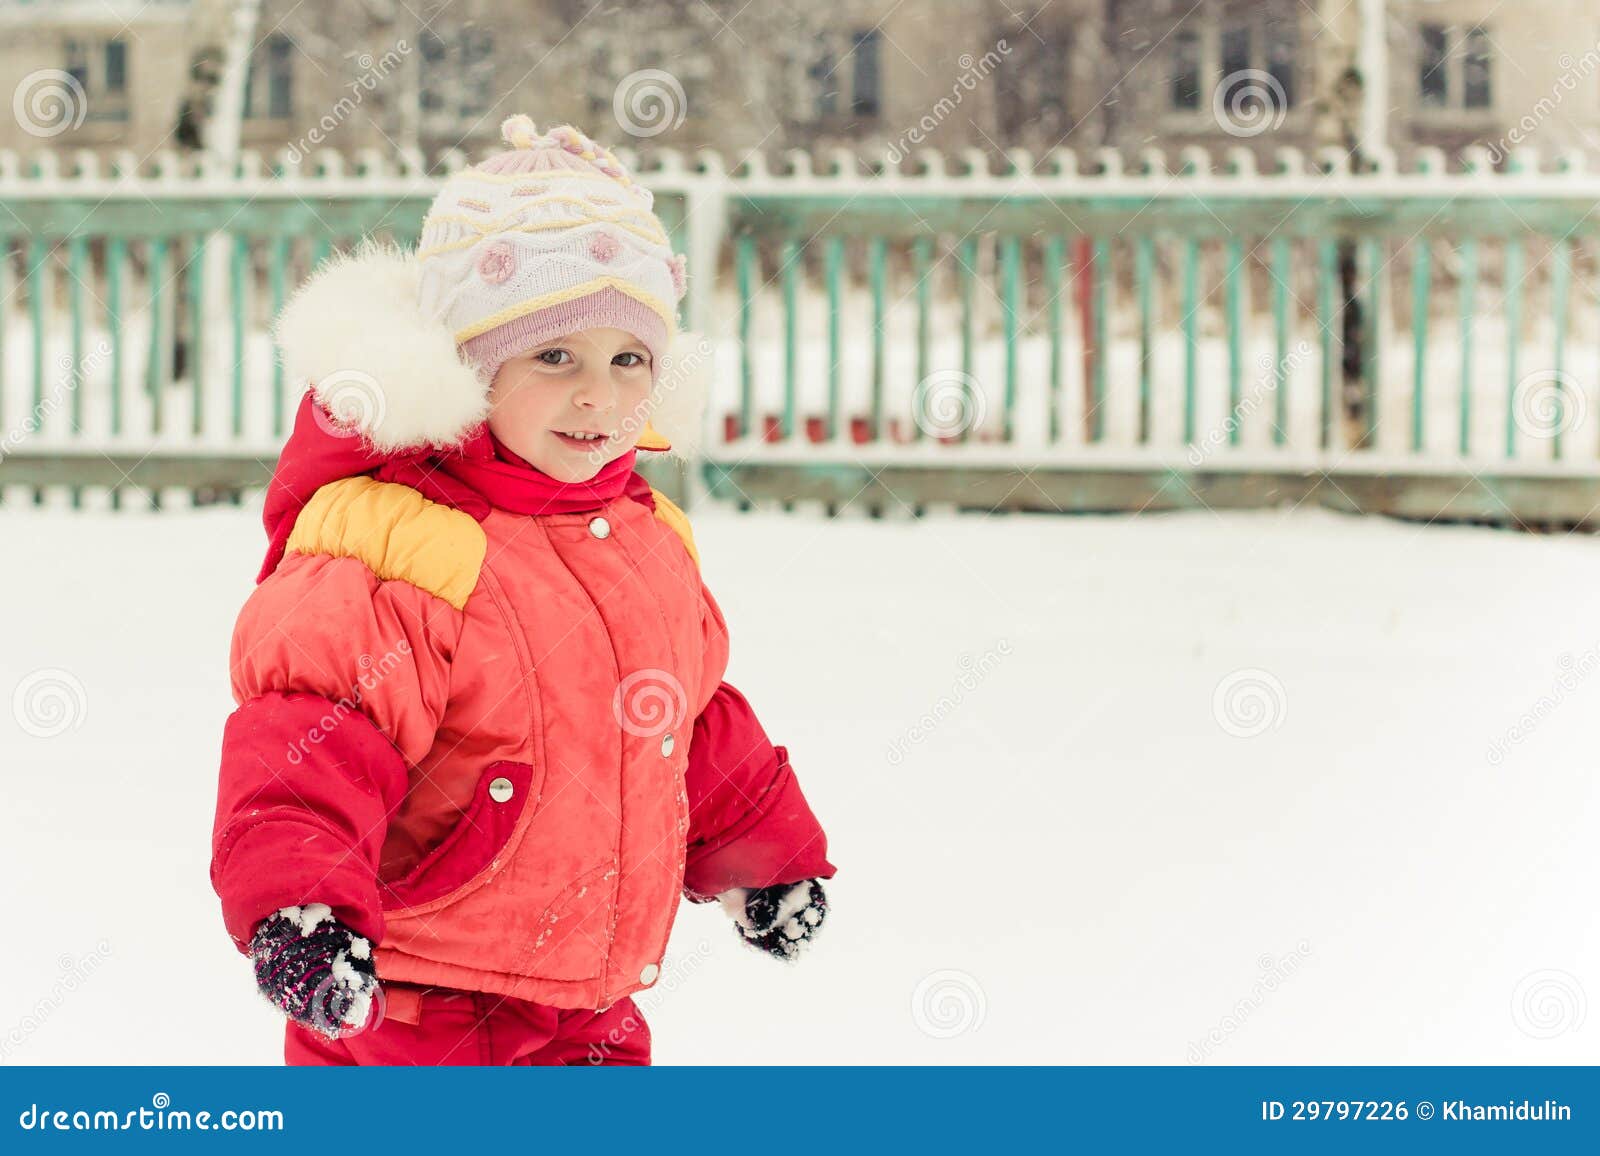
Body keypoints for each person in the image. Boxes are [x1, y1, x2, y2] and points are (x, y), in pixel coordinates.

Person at [210, 117, 836, 1065]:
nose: (599, 395)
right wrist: (305, 909)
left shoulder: (644, 536)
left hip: (592, 1007)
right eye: (555, 357)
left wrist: (761, 855)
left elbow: (687, 717)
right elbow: (313, 734)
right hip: (417, 1012)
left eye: (628, 359)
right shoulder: (403, 543)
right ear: (469, 367)